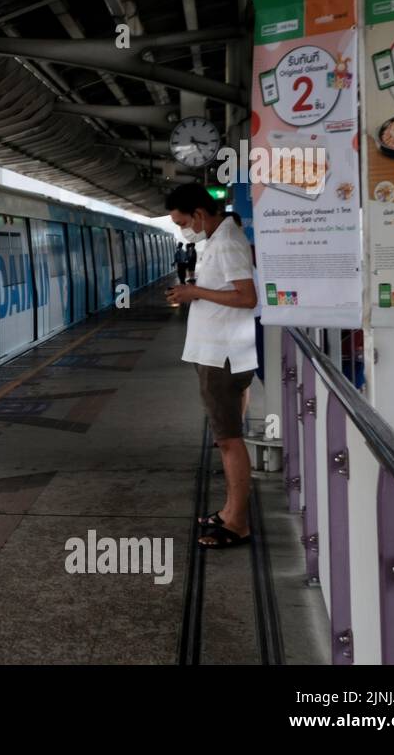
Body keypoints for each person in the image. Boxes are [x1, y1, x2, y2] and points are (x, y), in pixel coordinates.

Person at [164, 184, 259, 549]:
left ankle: (237, 523)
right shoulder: (220, 240)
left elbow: (246, 297)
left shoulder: (228, 242)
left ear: (200, 214)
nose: (182, 229)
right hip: (218, 352)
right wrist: (196, 288)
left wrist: (195, 293)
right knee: (226, 438)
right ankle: (230, 510)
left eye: (183, 221)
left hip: (223, 356)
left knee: (228, 440)